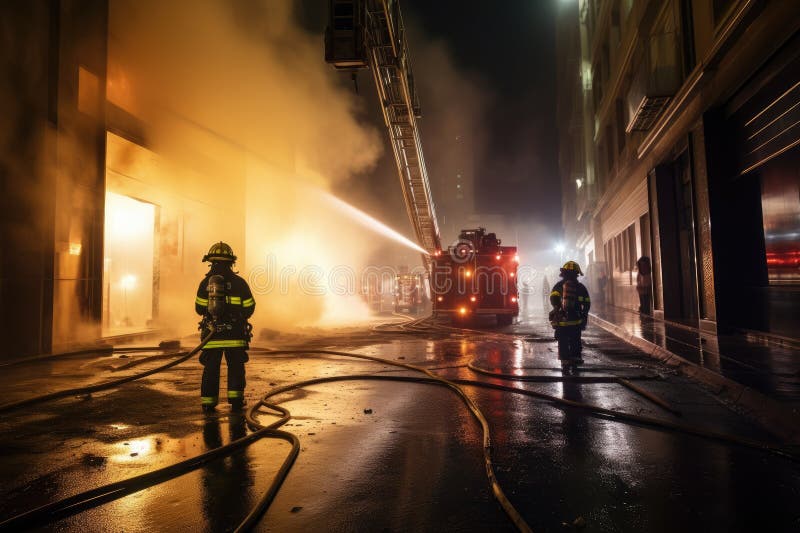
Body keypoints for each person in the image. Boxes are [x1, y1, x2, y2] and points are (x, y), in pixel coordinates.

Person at [195, 242, 255, 413]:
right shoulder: (240, 283)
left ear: (211, 262)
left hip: (211, 336)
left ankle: (208, 402)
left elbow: (199, 309)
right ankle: (236, 401)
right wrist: (238, 316)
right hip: (235, 335)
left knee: (211, 369)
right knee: (236, 368)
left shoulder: (205, 283)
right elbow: (250, 307)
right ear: (231, 263)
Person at [549, 261, 591, 373]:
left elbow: (553, 298)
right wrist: (584, 315)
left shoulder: (558, 286)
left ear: (563, 274)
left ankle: (565, 360)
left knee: (562, 341)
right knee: (575, 340)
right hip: (575, 321)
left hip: (562, 321)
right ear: (577, 274)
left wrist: (556, 308)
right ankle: (575, 357)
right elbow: (587, 303)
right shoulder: (581, 287)